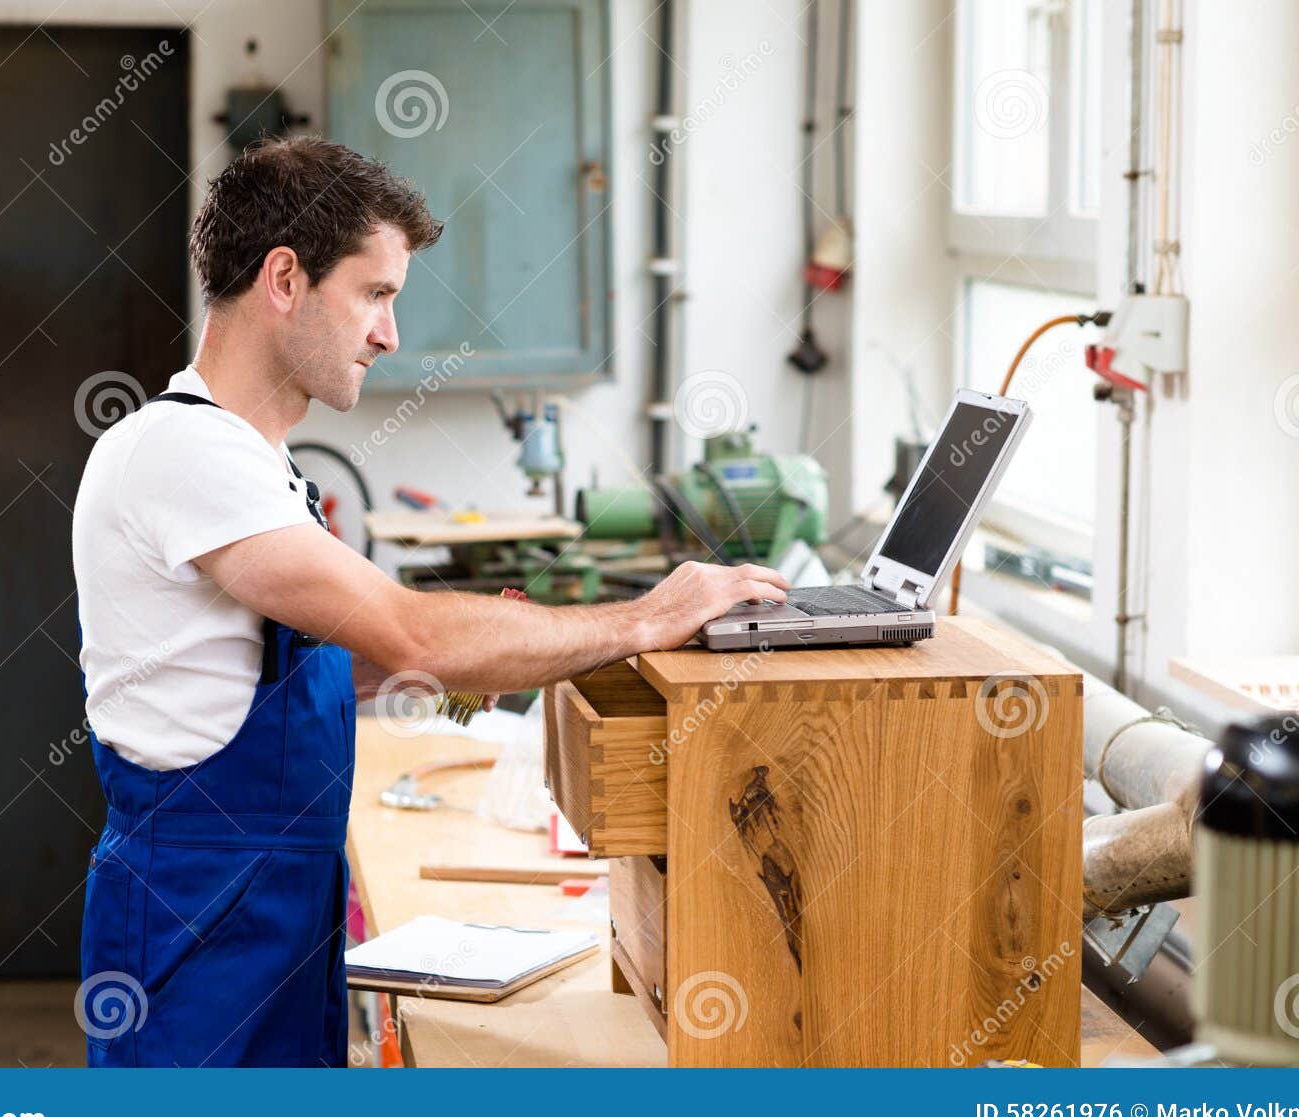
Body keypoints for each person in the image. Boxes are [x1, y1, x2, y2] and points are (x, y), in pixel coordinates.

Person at [69, 135, 789, 1067]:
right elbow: (405, 626)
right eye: (375, 294)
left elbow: (279, 674)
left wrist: (454, 672)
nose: (389, 334)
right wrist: (649, 617)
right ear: (284, 279)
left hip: (267, 925)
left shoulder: (255, 465)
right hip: (200, 934)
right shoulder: (183, 454)